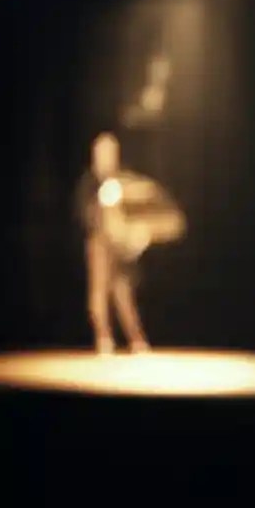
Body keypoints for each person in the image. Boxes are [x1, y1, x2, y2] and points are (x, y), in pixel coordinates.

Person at [74, 132, 184, 354]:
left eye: (109, 153)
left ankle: (136, 339)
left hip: (120, 248)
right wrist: (99, 208)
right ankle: (103, 339)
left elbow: (142, 213)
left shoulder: (125, 180)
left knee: (123, 293)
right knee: (98, 292)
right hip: (99, 245)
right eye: (101, 153)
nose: (105, 158)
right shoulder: (89, 183)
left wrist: (137, 234)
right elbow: (83, 215)